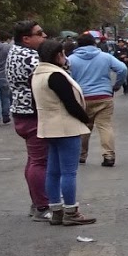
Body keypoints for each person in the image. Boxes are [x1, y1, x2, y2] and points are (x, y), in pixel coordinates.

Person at [29, 36, 96, 226]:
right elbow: (70, 103)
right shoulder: (56, 75)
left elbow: (34, 104)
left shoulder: (36, 75)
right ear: (58, 55)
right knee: (69, 172)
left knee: (53, 171)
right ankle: (71, 211)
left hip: (47, 127)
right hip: (66, 127)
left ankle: (56, 210)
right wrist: (85, 118)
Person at [5, 20, 51, 221]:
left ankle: (37, 201)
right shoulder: (31, 57)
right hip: (32, 113)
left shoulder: (14, 52)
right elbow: (49, 78)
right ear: (26, 38)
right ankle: (42, 206)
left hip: (21, 111)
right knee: (40, 162)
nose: (44, 36)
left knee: (34, 159)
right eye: (39, 33)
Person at [67, 32, 128, 167]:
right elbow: (122, 69)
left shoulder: (71, 59)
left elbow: (66, 76)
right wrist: (117, 85)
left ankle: (81, 155)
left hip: (83, 97)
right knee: (105, 126)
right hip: (104, 95)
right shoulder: (105, 57)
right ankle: (109, 155)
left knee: (84, 127)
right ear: (94, 43)